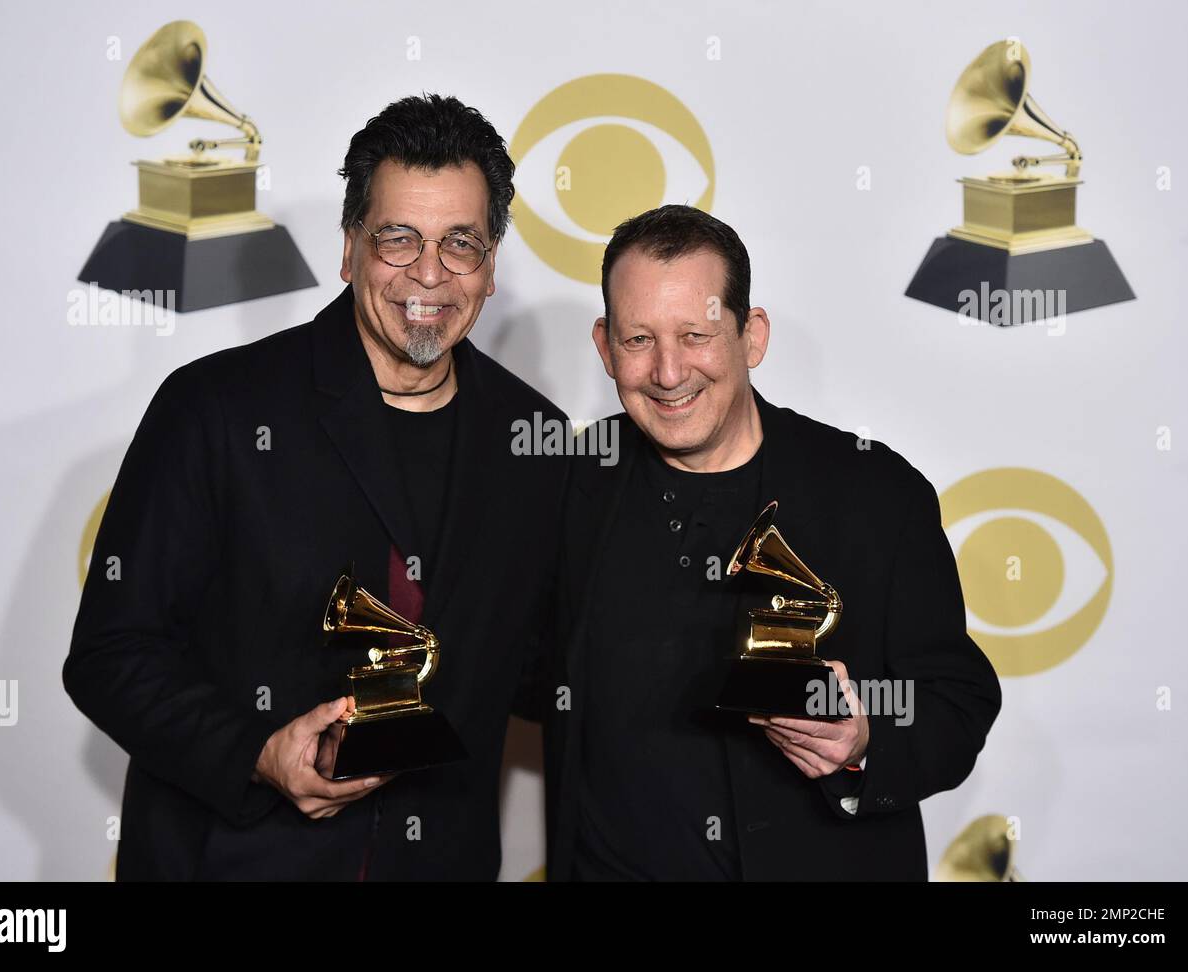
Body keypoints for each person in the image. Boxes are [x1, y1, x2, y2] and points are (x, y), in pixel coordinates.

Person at [65, 94, 567, 880]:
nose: (428, 273)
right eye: (398, 238)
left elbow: (548, 670)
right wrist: (257, 753)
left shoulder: (533, 436)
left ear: (491, 262)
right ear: (349, 249)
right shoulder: (216, 409)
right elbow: (110, 652)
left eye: (460, 243)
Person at [542, 204, 1001, 880]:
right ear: (605, 346)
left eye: (696, 335)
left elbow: (956, 703)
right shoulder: (564, 490)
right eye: (639, 340)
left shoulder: (877, 493)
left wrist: (865, 733)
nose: (669, 373)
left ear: (751, 336)